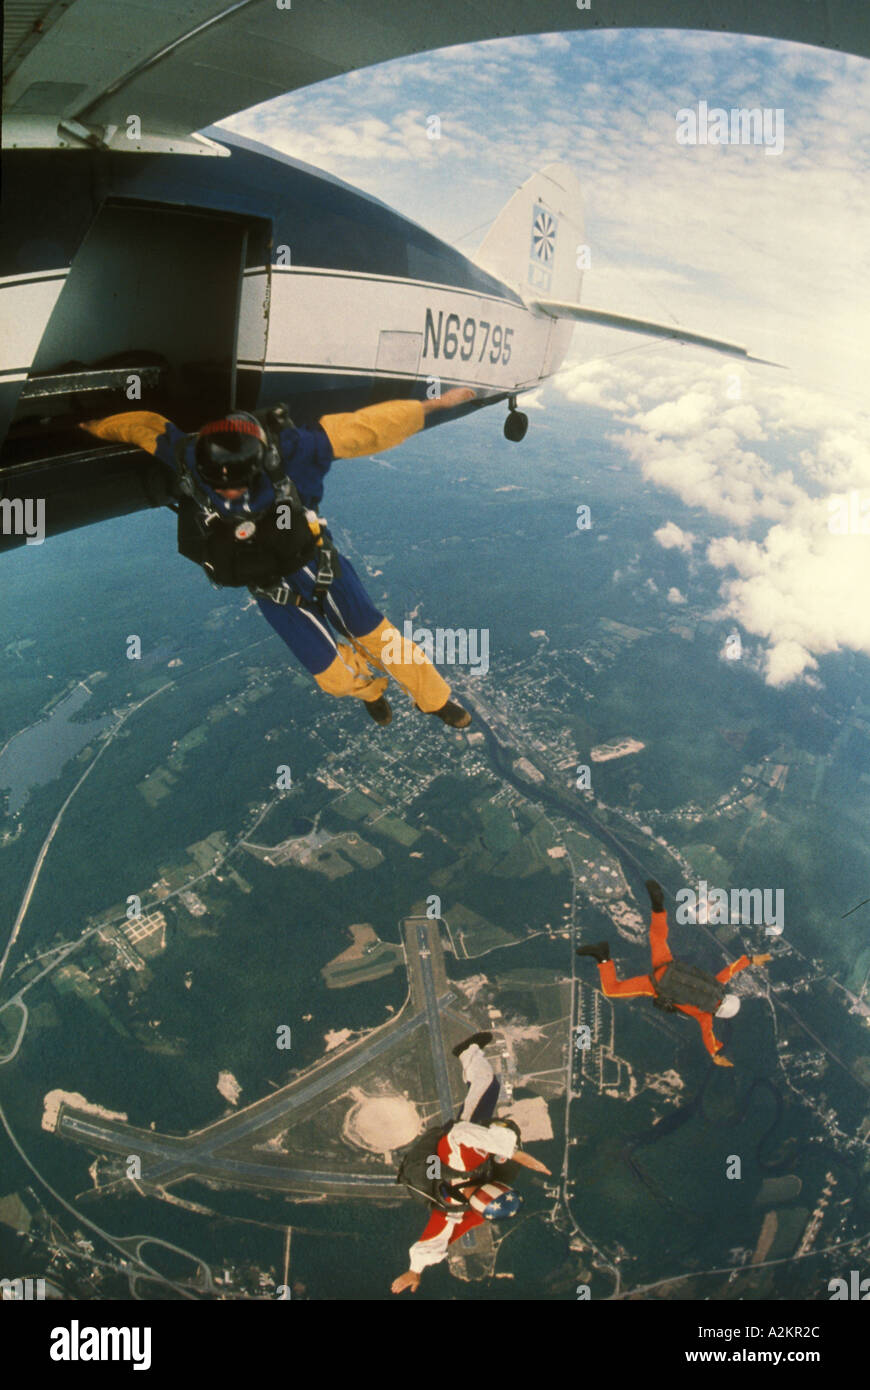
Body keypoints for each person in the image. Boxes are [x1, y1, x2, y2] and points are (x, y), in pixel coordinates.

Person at [79, 390, 476, 728]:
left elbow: (366, 428)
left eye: (235, 486)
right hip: (271, 586)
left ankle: (436, 700)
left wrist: (435, 405)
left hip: (317, 563)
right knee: (332, 678)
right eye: (221, 488)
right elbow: (147, 429)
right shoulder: (193, 457)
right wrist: (97, 425)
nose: (229, 496)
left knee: (381, 639)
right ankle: (367, 689)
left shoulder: (294, 451)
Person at [391, 1032, 551, 1293]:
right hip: (449, 1158)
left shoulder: (469, 1161)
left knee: (488, 1085)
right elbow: (435, 1241)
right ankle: (467, 1052)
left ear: (493, 1184)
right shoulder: (461, 1213)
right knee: (486, 1088)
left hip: (458, 1137)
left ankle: (467, 1050)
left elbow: (461, 1133)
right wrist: (414, 1271)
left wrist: (512, 1151)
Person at [576, 880, 772, 1066]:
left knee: (658, 937)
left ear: (728, 997)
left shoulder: (718, 985)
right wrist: (715, 1054)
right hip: (655, 985)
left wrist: (752, 960)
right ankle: (602, 956)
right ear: (720, 1013)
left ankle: (658, 907)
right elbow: (708, 1036)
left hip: (669, 966)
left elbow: (730, 970)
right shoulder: (705, 1015)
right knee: (612, 989)